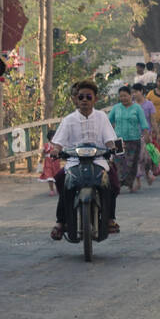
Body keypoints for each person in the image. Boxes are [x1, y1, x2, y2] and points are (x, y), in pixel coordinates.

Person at [49, 81, 121, 238]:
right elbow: (58, 142)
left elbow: (110, 139)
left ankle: (109, 219)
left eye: (89, 97)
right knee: (62, 181)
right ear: (76, 99)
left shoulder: (102, 117)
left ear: (95, 99)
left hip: (99, 160)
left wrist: (112, 148)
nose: (85, 100)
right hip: (74, 162)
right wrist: (56, 150)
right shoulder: (69, 119)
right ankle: (61, 221)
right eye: (81, 96)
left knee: (112, 183)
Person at [106, 86, 150, 193]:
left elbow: (144, 123)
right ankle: (119, 184)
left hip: (134, 140)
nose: (123, 98)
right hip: (119, 141)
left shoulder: (137, 108)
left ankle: (130, 184)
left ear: (131, 96)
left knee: (131, 163)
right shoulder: (116, 108)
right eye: (121, 96)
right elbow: (107, 121)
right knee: (119, 162)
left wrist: (146, 134)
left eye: (125, 96)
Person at [38, 129, 63, 195]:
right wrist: (41, 159)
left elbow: (61, 152)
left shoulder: (57, 146)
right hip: (48, 162)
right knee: (49, 177)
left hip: (56, 162)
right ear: (49, 138)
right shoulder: (46, 145)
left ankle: (58, 188)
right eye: (53, 137)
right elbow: (43, 152)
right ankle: (51, 190)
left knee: (57, 176)